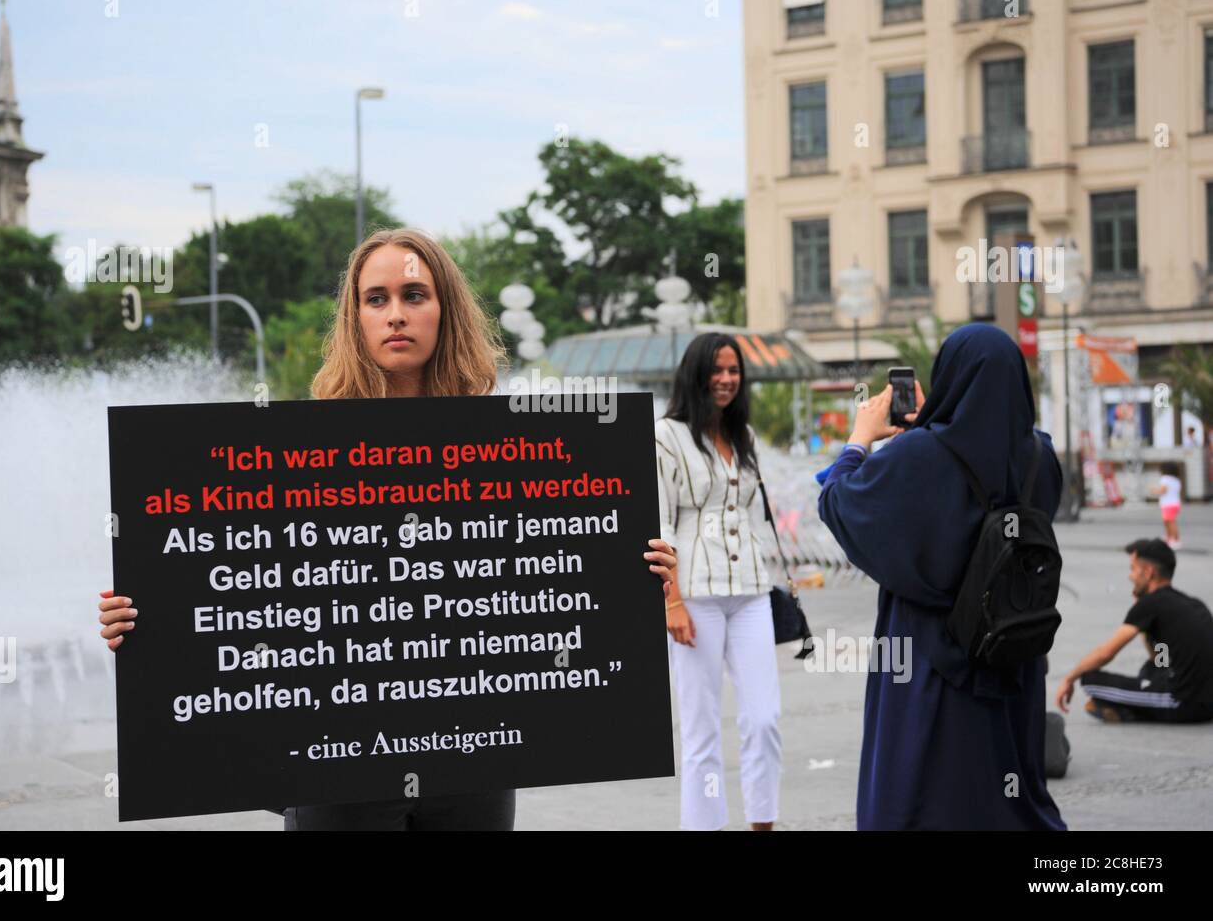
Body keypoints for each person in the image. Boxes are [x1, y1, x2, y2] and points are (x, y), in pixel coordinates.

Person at [98, 228, 681, 829]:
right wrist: (148, 625)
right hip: (335, 764)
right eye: (375, 299)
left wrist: (633, 577)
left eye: (414, 294)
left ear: (445, 309)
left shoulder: (508, 450)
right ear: (354, 317)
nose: (395, 314)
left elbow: (545, 580)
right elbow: (240, 588)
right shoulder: (293, 455)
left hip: (472, 757)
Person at [818, 323, 1066, 830]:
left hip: (930, 653)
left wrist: (860, 440)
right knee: (1005, 781)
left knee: (924, 783)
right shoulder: (1042, 455)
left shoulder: (918, 457)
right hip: (1011, 647)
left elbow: (840, 504)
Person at [652, 332, 783, 832]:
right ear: (696, 374)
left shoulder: (743, 437)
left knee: (764, 719)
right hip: (696, 596)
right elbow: (659, 524)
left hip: (751, 591)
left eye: (734, 371)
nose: (727, 380)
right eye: (718, 370)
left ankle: (763, 823)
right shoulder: (666, 436)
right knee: (702, 729)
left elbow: (754, 517)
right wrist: (673, 602)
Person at [1055, 539, 1213, 724]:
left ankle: (1129, 711)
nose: (1130, 576)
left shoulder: (1150, 604)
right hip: (1207, 703)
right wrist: (1145, 627)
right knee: (1150, 668)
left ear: (1149, 572)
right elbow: (1159, 658)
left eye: (1133, 569)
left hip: (1183, 703)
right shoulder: (1190, 602)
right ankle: (1133, 707)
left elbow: (1106, 654)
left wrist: (1069, 678)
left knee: (1090, 680)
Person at [1152, 462, 1182, 550]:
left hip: (1168, 504)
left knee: (1170, 522)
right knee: (1168, 522)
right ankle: (1169, 537)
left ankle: (1175, 540)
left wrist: (1154, 491)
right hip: (1175, 503)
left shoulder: (1165, 479)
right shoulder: (1176, 479)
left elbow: (1163, 490)